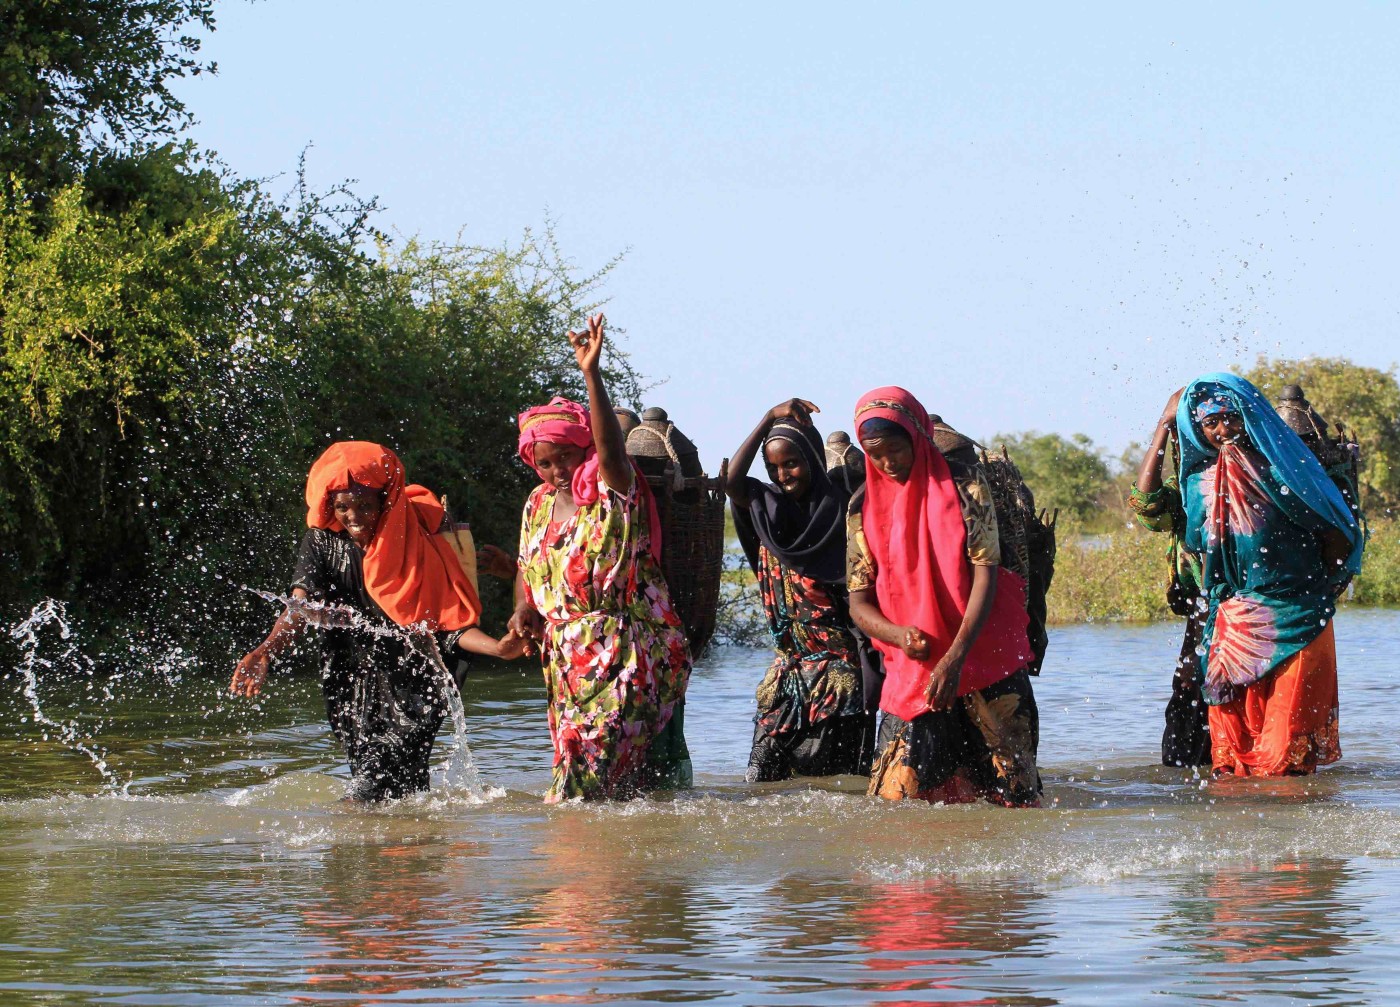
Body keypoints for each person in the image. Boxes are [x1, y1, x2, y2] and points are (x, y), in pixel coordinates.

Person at [229, 441, 528, 801]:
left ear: (385, 502)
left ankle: (346, 830)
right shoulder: (322, 542)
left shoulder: (420, 541)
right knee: (399, 787)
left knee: (368, 786)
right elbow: (300, 607)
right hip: (348, 675)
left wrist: (498, 648)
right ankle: (410, 851)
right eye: (342, 507)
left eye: (364, 506)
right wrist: (267, 651)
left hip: (416, 680)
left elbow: (448, 626)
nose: (353, 516)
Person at [508, 314, 693, 802]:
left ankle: (590, 872)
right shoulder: (538, 504)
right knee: (599, 788)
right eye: (543, 463)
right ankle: (617, 874)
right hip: (565, 662)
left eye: (564, 458)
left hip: (619, 654)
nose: (556, 472)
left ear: (583, 448)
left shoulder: (611, 492)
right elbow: (529, 568)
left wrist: (592, 374)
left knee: (580, 790)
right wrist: (524, 608)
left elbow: (611, 450)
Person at [846, 387, 1040, 806]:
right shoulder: (861, 509)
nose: (887, 462)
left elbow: (985, 573)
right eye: (874, 454)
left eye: (896, 449)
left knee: (1014, 800)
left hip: (984, 657)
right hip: (913, 670)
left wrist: (955, 657)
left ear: (918, 437)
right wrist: (898, 636)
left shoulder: (966, 491)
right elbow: (858, 601)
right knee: (897, 807)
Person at [1177, 374, 1363, 777]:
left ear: (1248, 416)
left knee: (1285, 756)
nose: (1223, 430)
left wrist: (1316, 592)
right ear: (1199, 429)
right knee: (1231, 758)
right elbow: (1197, 547)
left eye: (1230, 418)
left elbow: (1337, 533)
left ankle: (1295, 840)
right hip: (1233, 622)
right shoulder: (1199, 485)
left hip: (1297, 617)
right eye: (1211, 423)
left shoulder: (1288, 473)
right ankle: (1238, 839)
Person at [724, 398, 870, 782]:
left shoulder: (838, 511)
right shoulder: (768, 510)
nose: (783, 474)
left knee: (832, 780)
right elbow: (732, 483)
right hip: (787, 668)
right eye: (773, 467)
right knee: (760, 778)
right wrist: (768, 416)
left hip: (839, 673)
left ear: (811, 459)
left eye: (791, 462)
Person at [1130, 387, 1211, 767]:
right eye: (1184, 431)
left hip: (1247, 612)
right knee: (1187, 704)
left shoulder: (1250, 478)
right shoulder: (1186, 490)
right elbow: (1146, 505)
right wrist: (1163, 426)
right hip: (1202, 615)